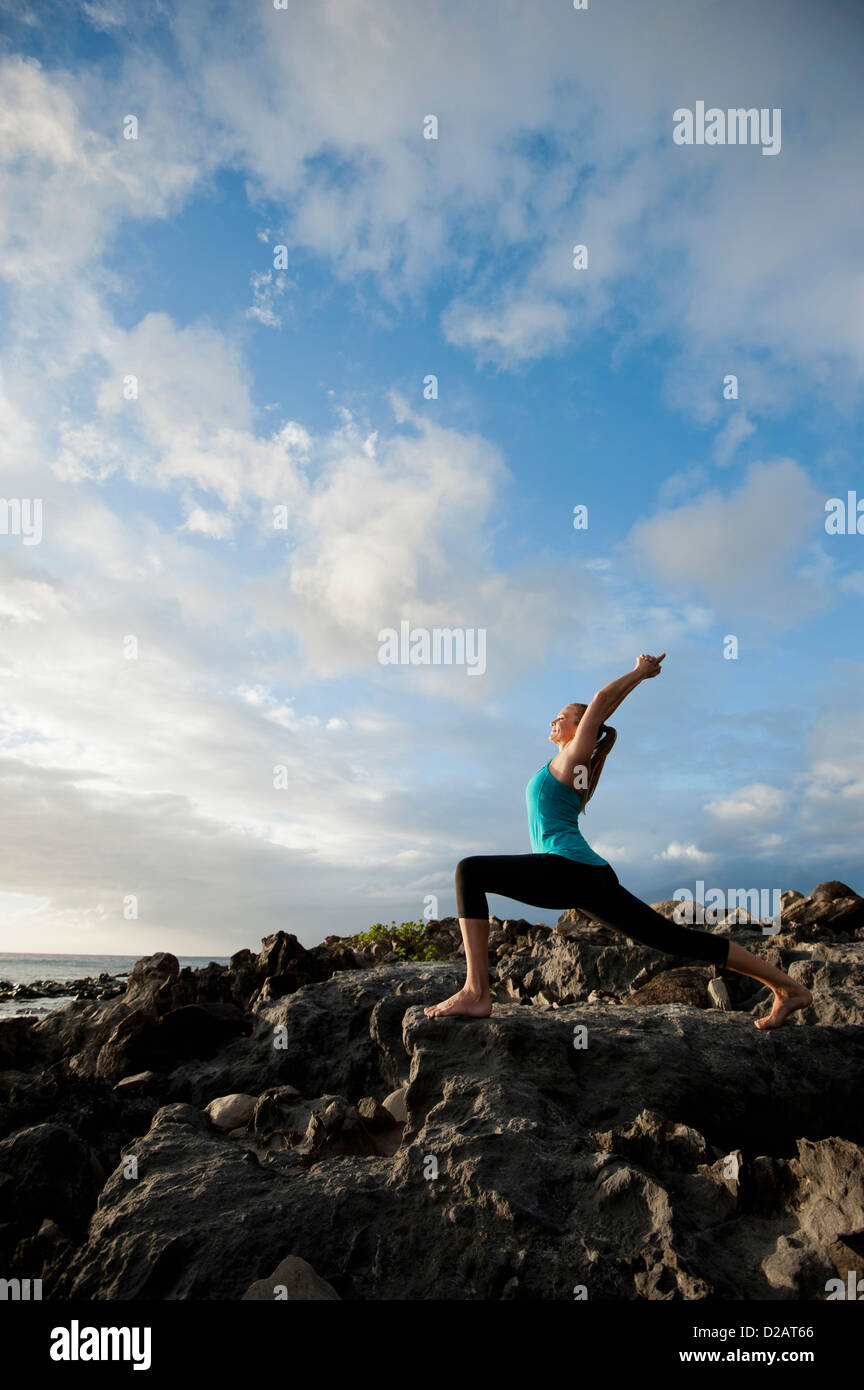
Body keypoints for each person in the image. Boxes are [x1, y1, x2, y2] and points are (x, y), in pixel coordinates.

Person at [424, 653, 812, 1030]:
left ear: (581, 728)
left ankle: (477, 991)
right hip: (581, 877)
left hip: (570, 869)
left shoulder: (575, 757)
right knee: (671, 938)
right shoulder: (566, 764)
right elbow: (598, 711)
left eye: (563, 716)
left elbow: (600, 702)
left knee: (469, 871)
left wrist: (638, 673)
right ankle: (788, 988)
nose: (554, 720)